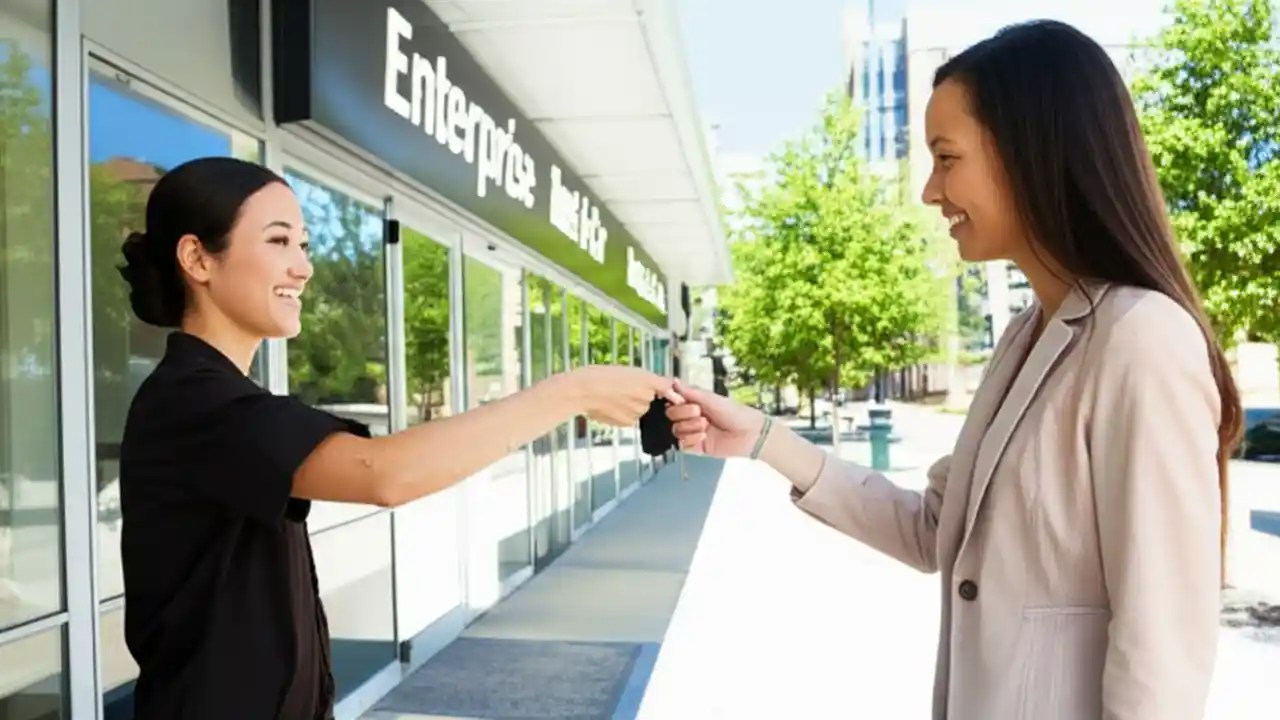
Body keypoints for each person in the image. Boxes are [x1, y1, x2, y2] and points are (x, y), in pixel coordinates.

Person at [667, 19, 1240, 720]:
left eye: (946, 158)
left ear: (1030, 153)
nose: (930, 192)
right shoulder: (1027, 335)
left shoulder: (1142, 338)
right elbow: (938, 531)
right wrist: (763, 439)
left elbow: (1163, 650)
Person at [115, 156, 678, 719]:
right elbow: (383, 473)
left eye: (304, 245)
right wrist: (570, 394)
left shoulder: (222, 398)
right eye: (279, 241)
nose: (303, 268)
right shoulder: (193, 402)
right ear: (197, 258)